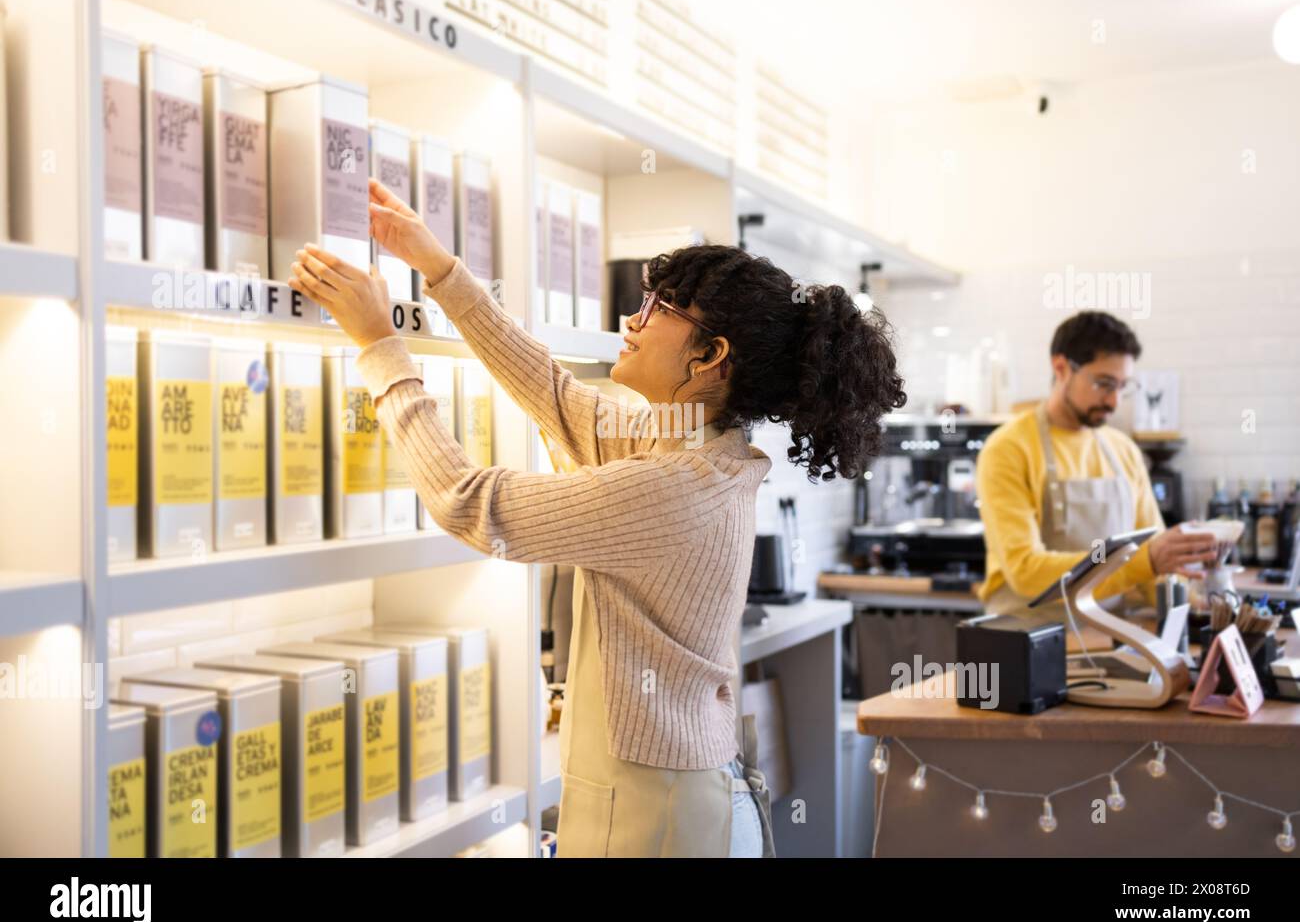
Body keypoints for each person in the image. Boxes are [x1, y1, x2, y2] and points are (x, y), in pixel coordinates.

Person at [286, 179, 907, 857]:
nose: (632, 321)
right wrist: (438, 268)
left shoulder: (674, 486)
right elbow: (552, 392)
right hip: (676, 790)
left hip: (657, 812)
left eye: (659, 307)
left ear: (710, 357)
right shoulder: (688, 446)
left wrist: (380, 346)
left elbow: (468, 503)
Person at [977, 311, 1216, 614]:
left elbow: (1151, 565)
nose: (1114, 401)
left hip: (1107, 639)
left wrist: (1193, 604)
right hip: (1027, 643)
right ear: (1061, 368)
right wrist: (1148, 560)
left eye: (1121, 386)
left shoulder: (1123, 451)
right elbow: (1026, 571)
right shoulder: (1008, 449)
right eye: (1104, 383)